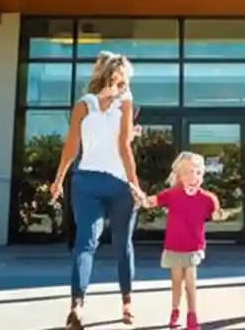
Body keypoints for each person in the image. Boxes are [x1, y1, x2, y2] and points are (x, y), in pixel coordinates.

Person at [50, 51, 144, 329]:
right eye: (124, 77)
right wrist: (135, 185)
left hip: (87, 181)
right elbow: (123, 147)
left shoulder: (84, 105)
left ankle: (78, 306)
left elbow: (71, 147)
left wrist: (59, 178)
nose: (126, 83)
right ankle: (126, 304)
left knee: (85, 244)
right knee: (120, 245)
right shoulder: (121, 104)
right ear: (115, 76)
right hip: (113, 183)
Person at [142, 152, 228, 329]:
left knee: (190, 280)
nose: (193, 177)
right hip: (174, 245)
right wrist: (143, 200)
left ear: (202, 175)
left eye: (197, 172)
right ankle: (175, 310)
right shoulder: (172, 194)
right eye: (188, 172)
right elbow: (153, 201)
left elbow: (217, 213)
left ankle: (192, 315)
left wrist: (219, 215)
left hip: (194, 246)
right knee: (176, 281)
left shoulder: (208, 198)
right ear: (179, 176)